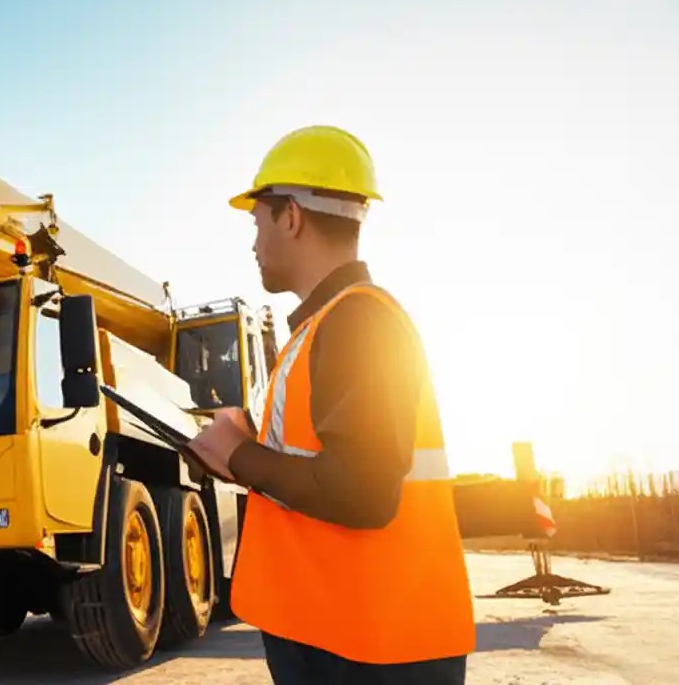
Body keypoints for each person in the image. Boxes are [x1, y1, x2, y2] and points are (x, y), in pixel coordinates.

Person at [185, 125, 475, 684]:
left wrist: (240, 454)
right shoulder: (324, 328)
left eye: (257, 221)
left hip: (374, 650)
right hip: (348, 637)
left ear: (290, 216)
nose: (252, 244)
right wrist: (243, 448)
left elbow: (363, 489)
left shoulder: (357, 320)